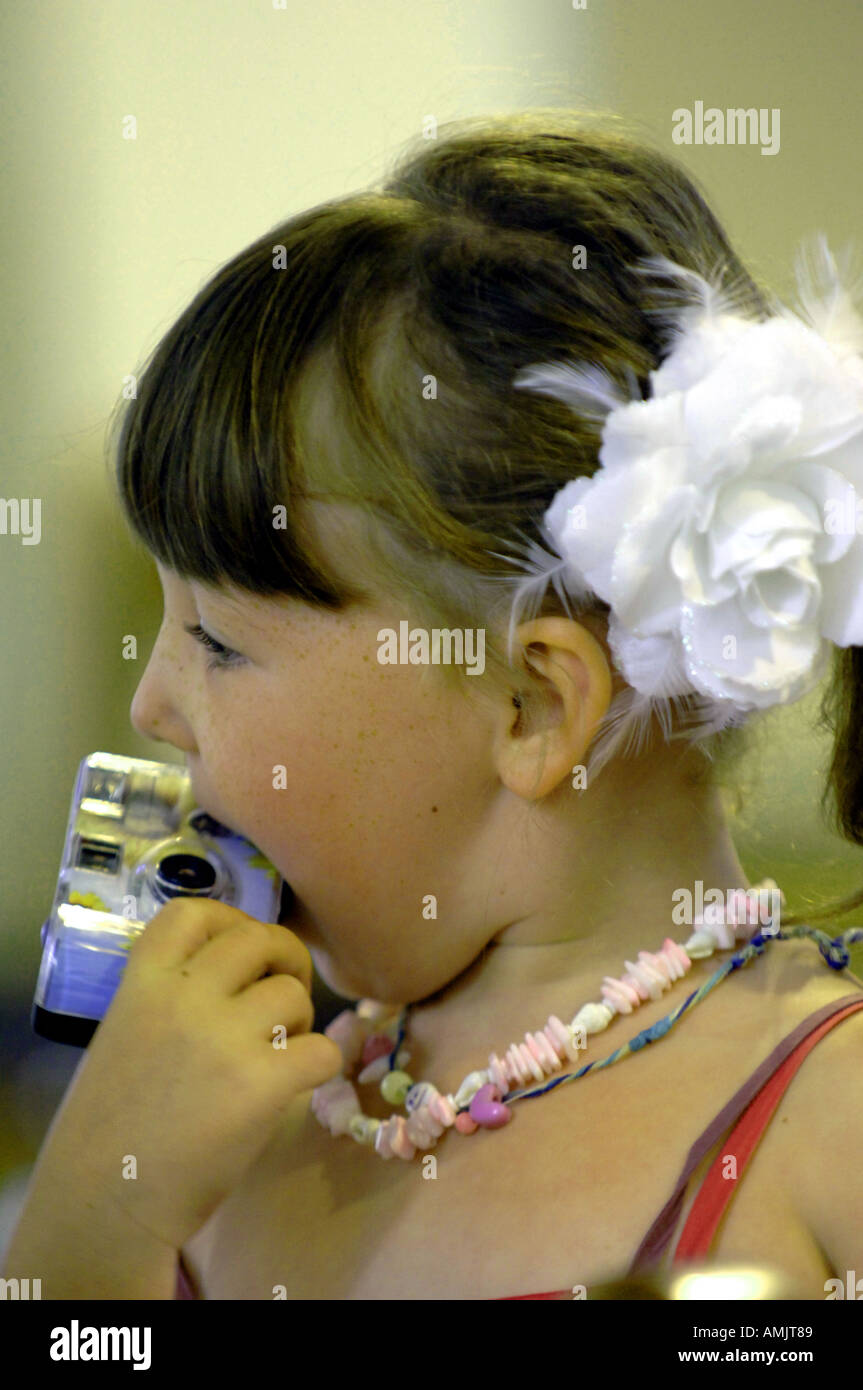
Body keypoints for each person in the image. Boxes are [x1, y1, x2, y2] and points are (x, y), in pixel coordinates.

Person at [6, 110, 863, 1301]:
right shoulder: (223, 1133)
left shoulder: (828, 1122)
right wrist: (95, 1212)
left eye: (216, 641)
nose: (152, 700)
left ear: (528, 704)